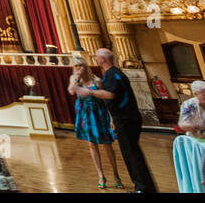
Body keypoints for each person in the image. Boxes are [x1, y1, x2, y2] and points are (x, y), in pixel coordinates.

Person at [87, 48, 157, 192]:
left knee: (131, 154)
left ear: (103, 59)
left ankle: (143, 188)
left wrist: (90, 92)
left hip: (126, 119)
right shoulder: (113, 73)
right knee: (132, 153)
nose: (95, 59)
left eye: (96, 57)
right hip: (126, 118)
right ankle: (144, 187)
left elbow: (110, 95)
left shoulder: (112, 75)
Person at [68, 53, 122, 189]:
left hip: (99, 114)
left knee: (107, 145)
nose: (79, 68)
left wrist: (111, 118)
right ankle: (100, 175)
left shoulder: (96, 80)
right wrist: (77, 79)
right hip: (85, 115)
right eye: (76, 66)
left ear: (86, 66)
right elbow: (71, 92)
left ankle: (116, 175)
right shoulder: (74, 79)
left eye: (81, 65)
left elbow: (106, 100)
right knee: (92, 145)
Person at [173, 80, 205, 193]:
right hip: (196, 140)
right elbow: (182, 124)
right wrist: (196, 126)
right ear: (196, 94)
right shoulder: (189, 105)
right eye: (203, 93)